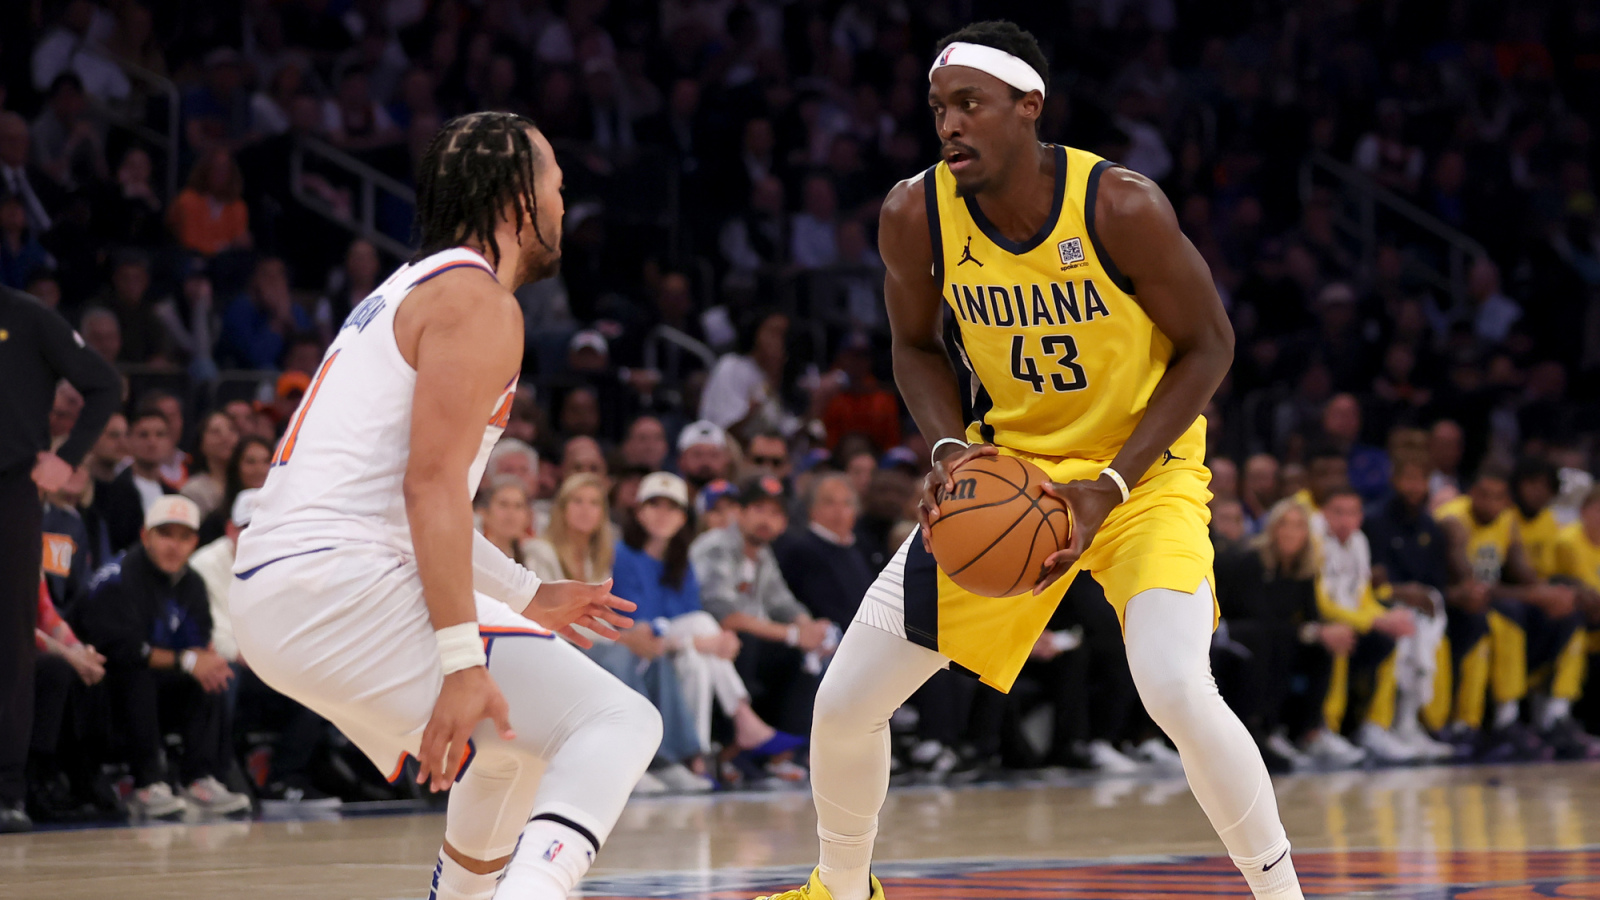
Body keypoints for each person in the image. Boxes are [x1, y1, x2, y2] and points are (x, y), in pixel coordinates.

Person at [754, 23, 1302, 900]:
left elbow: (1210, 347)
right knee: (847, 703)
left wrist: (1110, 486)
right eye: (939, 109)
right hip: (1010, 479)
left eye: (969, 105)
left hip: (1142, 478)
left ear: (1028, 108)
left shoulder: (1119, 205)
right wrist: (945, 449)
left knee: (1174, 686)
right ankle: (841, 890)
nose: (949, 125)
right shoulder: (914, 211)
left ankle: (1282, 895)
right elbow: (914, 345)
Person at [231, 112, 658, 900]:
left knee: (506, 744)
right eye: (557, 184)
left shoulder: (418, 287)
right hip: (336, 580)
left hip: (285, 586)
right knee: (619, 723)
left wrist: (530, 595)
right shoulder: (478, 302)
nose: (565, 204)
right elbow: (426, 490)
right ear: (516, 199)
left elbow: (420, 505)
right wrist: (462, 662)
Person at [0, 283, 119, 833]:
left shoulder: (27, 317)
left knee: (10, 637)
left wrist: (67, 457)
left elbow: (104, 383)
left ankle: (8, 790)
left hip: (10, 489)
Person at [76, 496, 252, 819]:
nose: (175, 545)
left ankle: (200, 779)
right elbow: (123, 650)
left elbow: (199, 647)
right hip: (101, 688)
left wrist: (199, 663)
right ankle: (147, 784)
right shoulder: (118, 579)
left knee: (210, 676)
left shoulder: (193, 583)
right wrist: (187, 660)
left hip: (159, 684)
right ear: (146, 536)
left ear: (195, 542)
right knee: (138, 674)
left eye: (184, 537)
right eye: (165, 534)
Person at [1432, 466, 1593, 759]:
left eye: (1498, 497)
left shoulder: (1507, 521)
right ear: (1471, 495)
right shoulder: (1454, 520)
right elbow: (1472, 586)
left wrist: (1549, 593)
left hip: (1491, 599)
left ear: (1507, 500)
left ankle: (1554, 716)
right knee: (1507, 615)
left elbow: (1523, 574)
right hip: (1452, 604)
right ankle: (1496, 720)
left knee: (1568, 611)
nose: (1491, 503)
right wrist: (1534, 594)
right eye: (1484, 495)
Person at [692, 476, 833, 738]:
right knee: (748, 642)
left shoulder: (762, 554)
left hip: (747, 641)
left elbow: (783, 602)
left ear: (784, 523)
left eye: (775, 513)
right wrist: (793, 635)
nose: (766, 520)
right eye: (759, 510)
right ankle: (732, 751)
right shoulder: (717, 545)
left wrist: (809, 627)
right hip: (708, 640)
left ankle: (788, 750)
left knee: (801, 656)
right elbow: (725, 615)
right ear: (741, 513)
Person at [774, 473, 875, 625]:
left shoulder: (860, 548)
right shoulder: (801, 551)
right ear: (811, 508)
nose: (839, 511)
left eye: (846, 503)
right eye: (829, 503)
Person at [96, 410, 180, 553]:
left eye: (160, 435)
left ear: (169, 442)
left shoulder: (175, 497)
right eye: (143, 435)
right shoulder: (110, 493)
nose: (152, 442)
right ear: (129, 440)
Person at [523, 474, 614, 584]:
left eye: (594, 503)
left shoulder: (598, 557)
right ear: (562, 508)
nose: (586, 509)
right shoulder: (540, 552)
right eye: (578, 501)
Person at [180, 411, 241, 517]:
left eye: (231, 429)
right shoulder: (194, 490)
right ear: (201, 444)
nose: (226, 437)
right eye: (215, 432)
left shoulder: (250, 482)